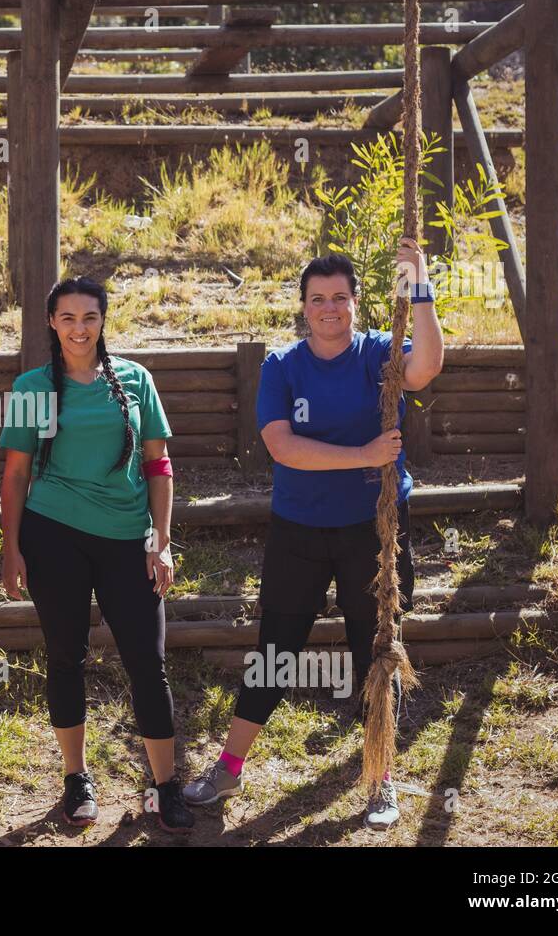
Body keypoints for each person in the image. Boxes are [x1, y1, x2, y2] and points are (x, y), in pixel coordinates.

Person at [183, 239, 443, 830]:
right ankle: (229, 765)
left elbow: (427, 366)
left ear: (356, 303)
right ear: (304, 307)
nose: (331, 308)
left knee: (375, 653)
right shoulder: (283, 365)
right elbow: (282, 446)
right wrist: (364, 454)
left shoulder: (380, 353)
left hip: (373, 532)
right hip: (299, 530)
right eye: (319, 299)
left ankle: (380, 780)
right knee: (275, 649)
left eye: (341, 298)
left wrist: (419, 283)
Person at [0, 276, 194, 834]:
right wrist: (10, 549)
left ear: (103, 320)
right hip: (53, 534)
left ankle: (164, 786)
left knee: (147, 664)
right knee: (66, 658)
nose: (79, 328)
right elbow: (15, 476)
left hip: (128, 539)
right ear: (51, 323)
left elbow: (159, 466)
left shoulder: (136, 380)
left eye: (89, 317)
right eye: (67, 318)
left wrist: (161, 539)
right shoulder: (34, 386)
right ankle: (76, 779)